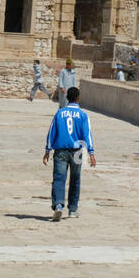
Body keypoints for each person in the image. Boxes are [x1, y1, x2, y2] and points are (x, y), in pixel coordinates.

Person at [43, 86, 96, 221]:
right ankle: (72, 210)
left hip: (60, 150)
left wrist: (47, 151)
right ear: (78, 98)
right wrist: (91, 153)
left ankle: (58, 205)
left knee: (59, 178)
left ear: (67, 98)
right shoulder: (83, 115)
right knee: (75, 179)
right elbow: (87, 134)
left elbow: (51, 132)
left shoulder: (59, 113)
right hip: (77, 152)